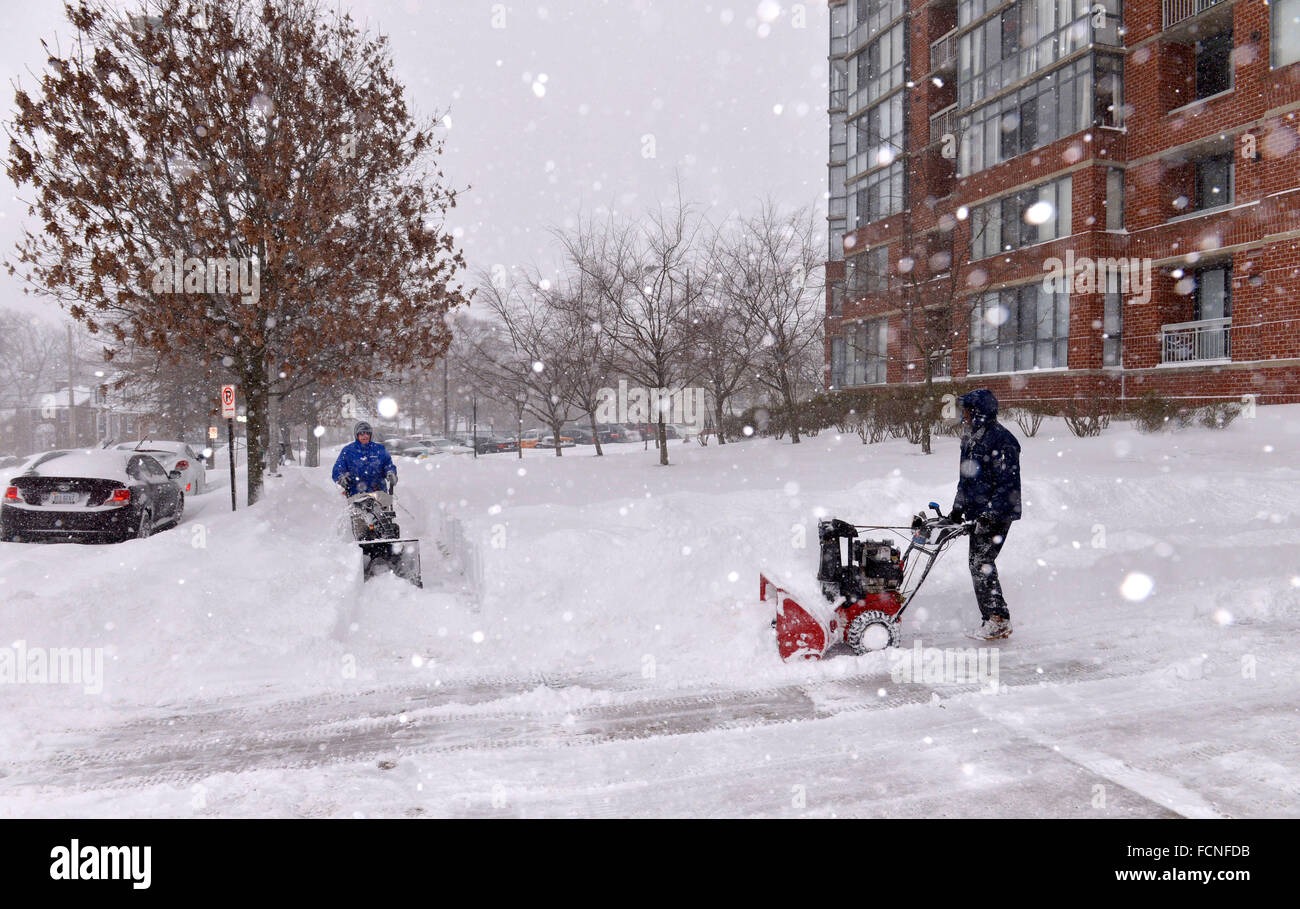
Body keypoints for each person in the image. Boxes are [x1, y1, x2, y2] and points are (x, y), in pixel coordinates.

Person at [949, 389, 1021, 640]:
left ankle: (998, 619)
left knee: (981, 564)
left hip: (997, 514)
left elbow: (1008, 485)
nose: (963, 414)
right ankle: (995, 617)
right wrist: (957, 510)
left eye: (966, 409)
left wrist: (991, 513)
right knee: (979, 564)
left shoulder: (1002, 440)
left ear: (978, 412)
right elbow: (966, 480)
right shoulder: (971, 438)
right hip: (979, 513)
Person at [331, 421, 397, 497]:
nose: (365, 436)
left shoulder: (380, 449)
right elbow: (338, 468)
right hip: (356, 494)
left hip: (378, 493)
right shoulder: (348, 451)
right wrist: (340, 477)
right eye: (362, 433)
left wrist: (391, 473)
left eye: (367, 433)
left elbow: (388, 464)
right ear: (357, 435)